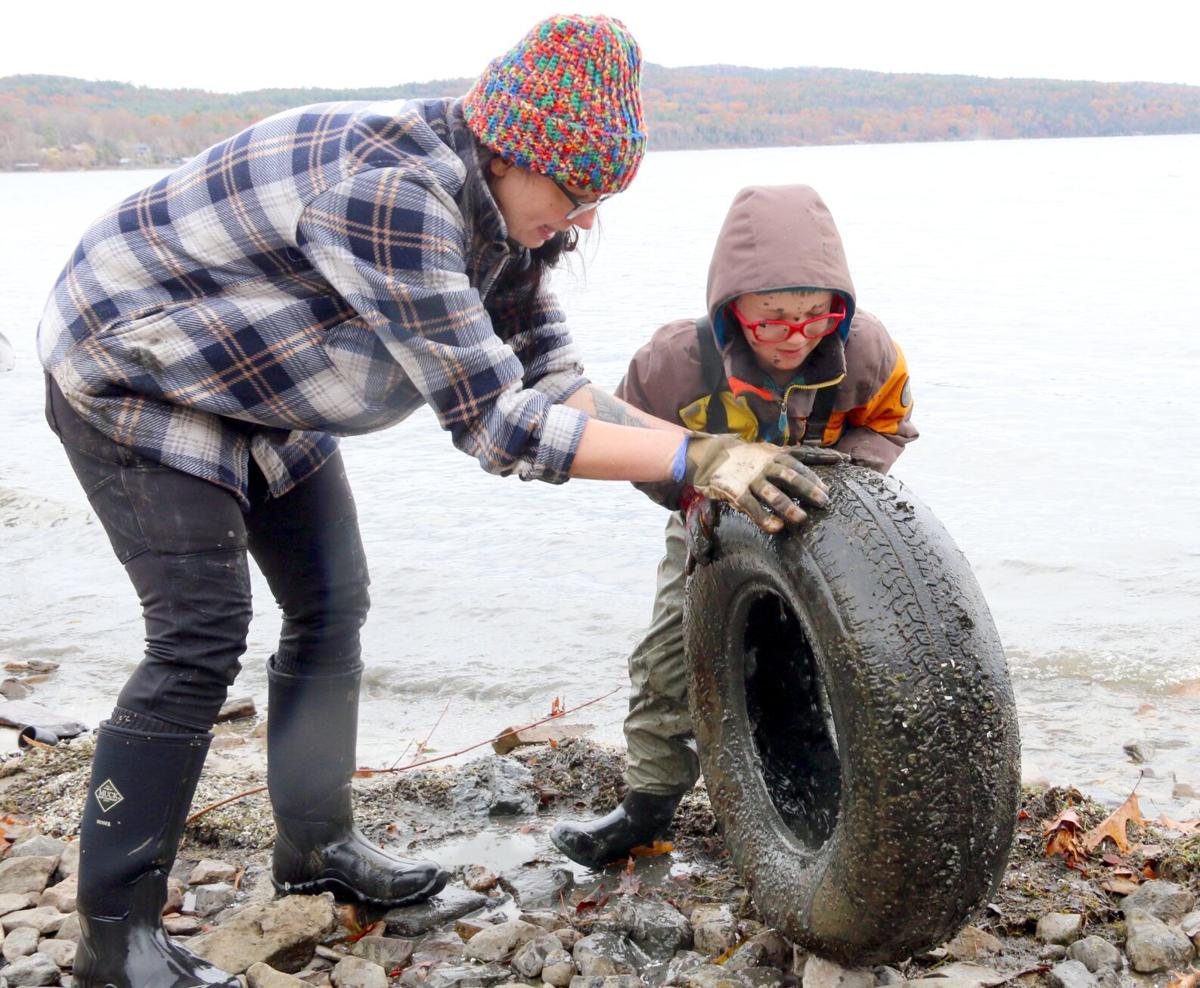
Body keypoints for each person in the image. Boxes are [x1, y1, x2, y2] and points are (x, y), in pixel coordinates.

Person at [37, 18, 834, 988]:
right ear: (511, 151)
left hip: (263, 383)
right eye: (576, 192)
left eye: (600, 199)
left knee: (332, 601)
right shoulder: (396, 193)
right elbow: (499, 425)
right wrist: (697, 451)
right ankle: (114, 937)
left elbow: (555, 385)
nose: (584, 220)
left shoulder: (511, 224)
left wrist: (703, 473)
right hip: (135, 368)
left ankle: (317, 847)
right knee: (200, 635)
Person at [550, 184, 918, 868]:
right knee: (667, 658)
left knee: (804, 664)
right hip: (712, 518)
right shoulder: (672, 363)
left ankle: (821, 807)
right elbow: (630, 447)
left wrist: (848, 481)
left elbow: (891, 423)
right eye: (772, 319)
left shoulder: (866, 349)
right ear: (731, 308)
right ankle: (648, 809)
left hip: (823, 522)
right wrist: (694, 498)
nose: (795, 335)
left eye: (814, 315)